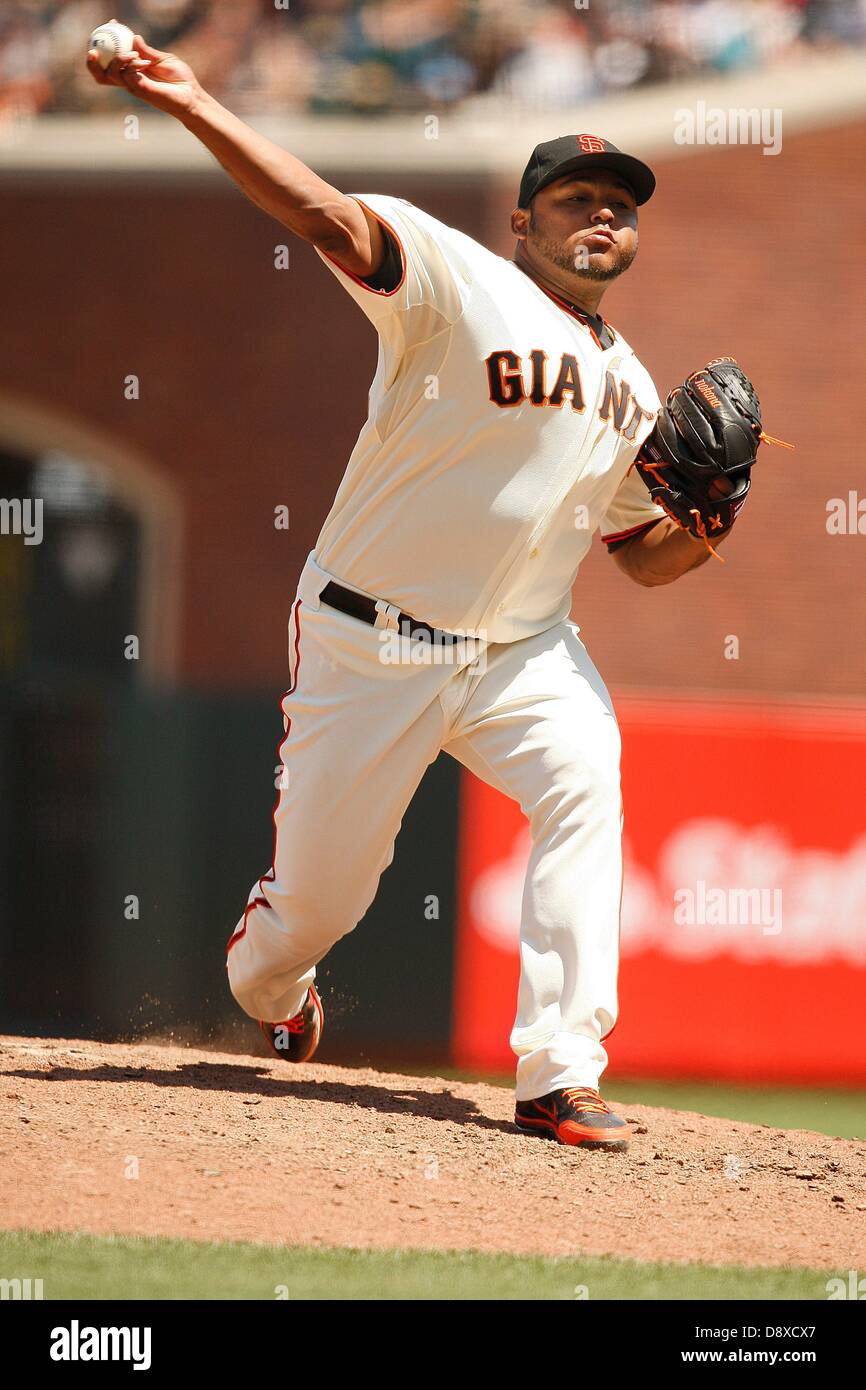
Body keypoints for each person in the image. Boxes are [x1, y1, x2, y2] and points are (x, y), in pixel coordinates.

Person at [88, 38, 731, 1149]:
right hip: (367, 638)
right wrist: (195, 101)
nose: (600, 215)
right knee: (309, 918)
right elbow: (326, 221)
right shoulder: (448, 274)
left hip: (522, 651)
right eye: (574, 196)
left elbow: (639, 555)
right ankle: (275, 991)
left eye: (619, 205)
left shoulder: (630, 382)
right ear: (520, 222)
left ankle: (558, 1073)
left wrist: (708, 525)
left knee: (585, 780)